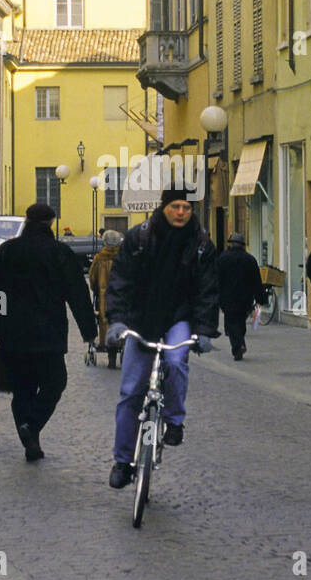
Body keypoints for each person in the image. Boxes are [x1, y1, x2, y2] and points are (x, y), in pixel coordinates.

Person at [105, 188, 220, 488]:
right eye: (175, 206)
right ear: (164, 207)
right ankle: (122, 462)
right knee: (131, 391)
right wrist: (116, 321)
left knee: (176, 361)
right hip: (142, 319)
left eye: (186, 207)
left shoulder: (202, 244)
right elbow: (120, 280)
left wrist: (205, 331)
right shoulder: (139, 238)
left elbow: (209, 290)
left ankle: (174, 422)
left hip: (178, 318)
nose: (181, 212)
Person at [0, 203, 98, 461]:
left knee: (22, 389)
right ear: (51, 222)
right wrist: (88, 331)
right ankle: (33, 428)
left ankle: (29, 436)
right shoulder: (60, 252)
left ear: (26, 220)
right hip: (49, 334)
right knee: (55, 382)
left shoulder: (7, 251)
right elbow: (77, 294)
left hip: (13, 334)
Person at [215, 232, 265, 361]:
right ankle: (240, 343)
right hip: (245, 297)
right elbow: (256, 280)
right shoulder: (249, 259)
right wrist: (260, 297)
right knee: (241, 322)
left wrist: (215, 296)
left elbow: (216, 279)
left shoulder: (223, 258)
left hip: (228, 297)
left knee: (231, 323)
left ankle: (237, 347)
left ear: (230, 244)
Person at [88, 229, 123, 368]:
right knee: (120, 320)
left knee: (104, 320)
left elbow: (92, 278)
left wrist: (96, 288)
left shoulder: (99, 258)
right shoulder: (123, 258)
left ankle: (108, 349)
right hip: (121, 296)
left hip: (104, 297)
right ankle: (121, 344)